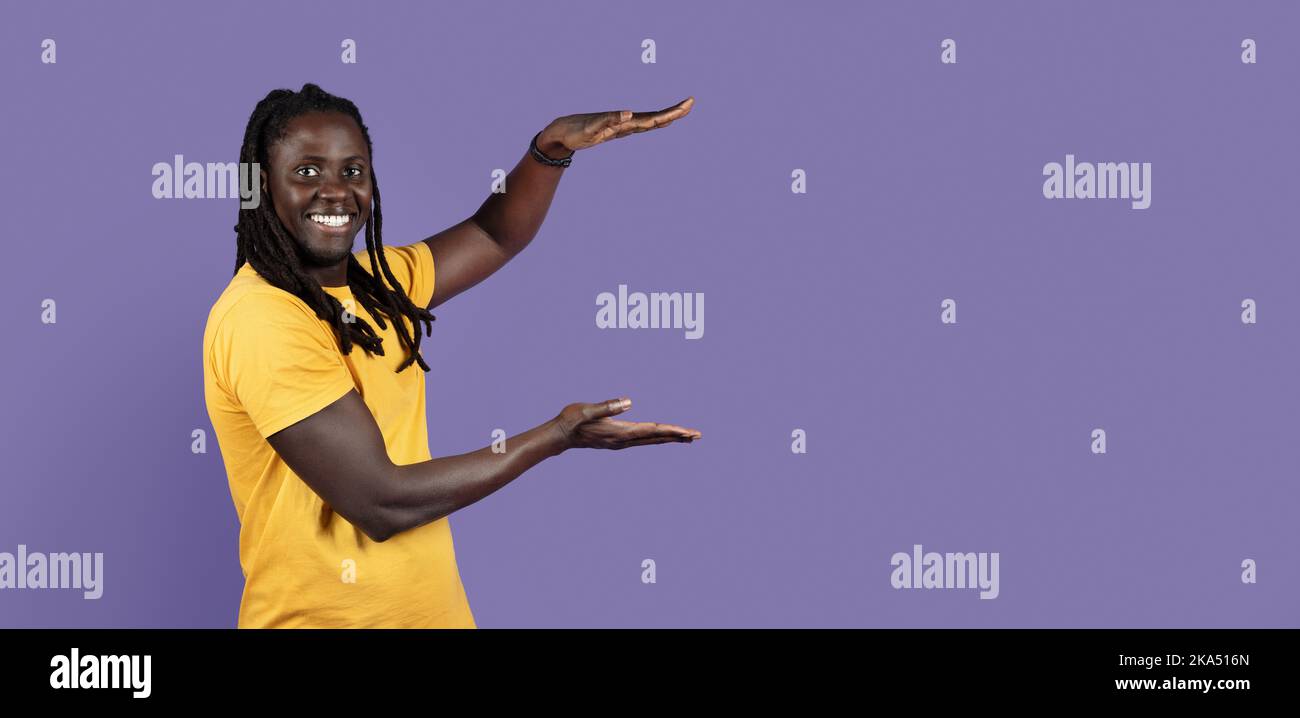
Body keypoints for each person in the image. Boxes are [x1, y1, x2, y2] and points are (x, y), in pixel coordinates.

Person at [201, 84, 699, 628]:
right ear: (261, 185)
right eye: (307, 172)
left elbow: (493, 234)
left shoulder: (379, 284)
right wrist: (554, 437)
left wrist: (550, 148)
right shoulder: (261, 318)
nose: (335, 193)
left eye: (352, 172)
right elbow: (380, 502)